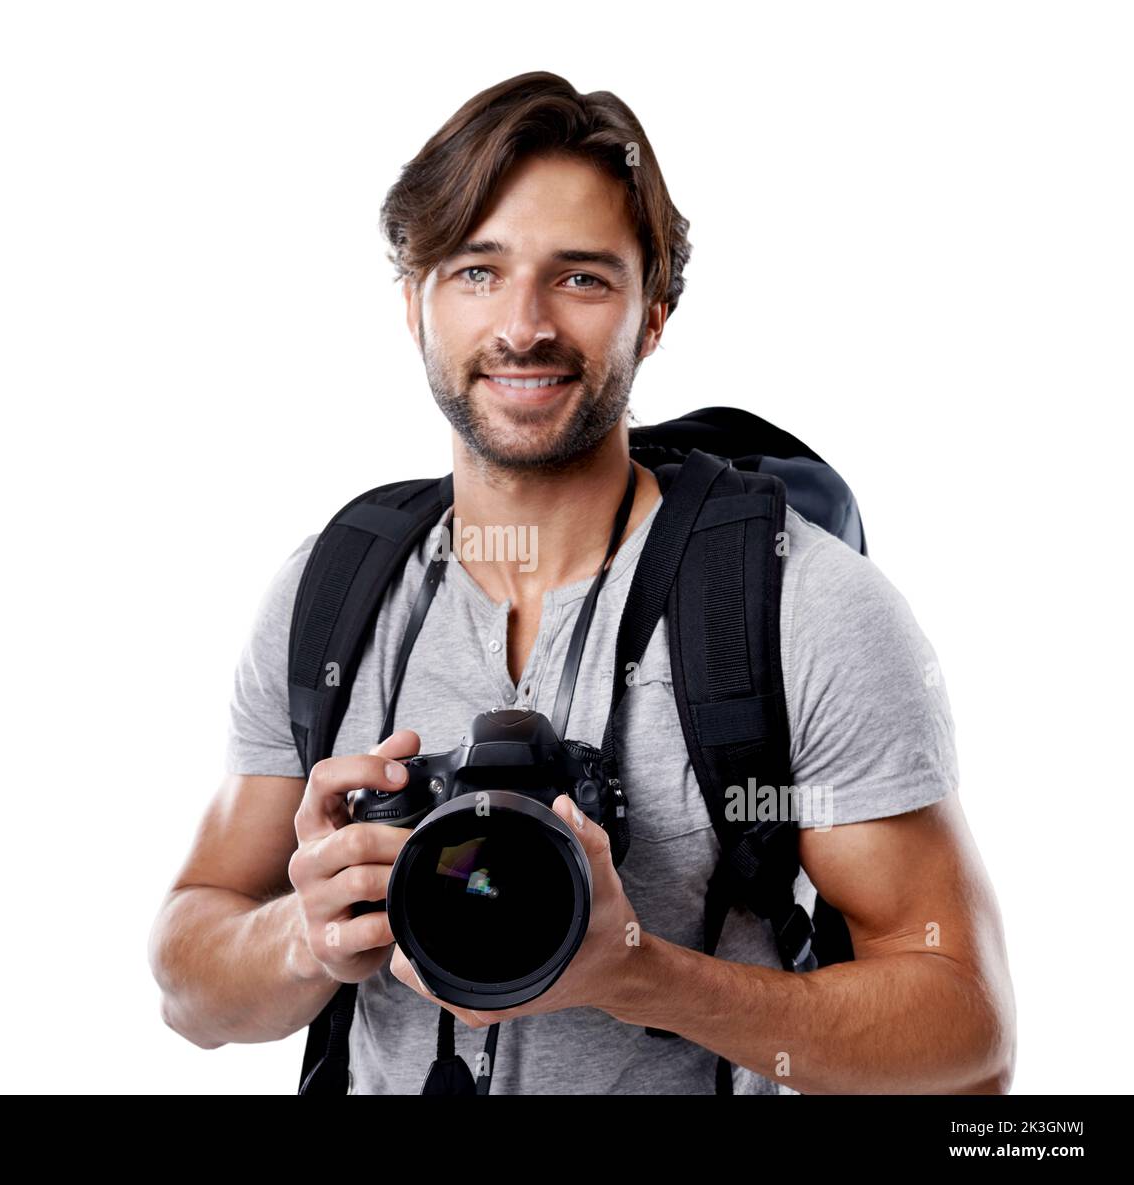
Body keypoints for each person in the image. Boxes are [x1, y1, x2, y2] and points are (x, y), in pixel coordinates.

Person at [147, 71, 1015, 1094]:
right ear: (413, 302)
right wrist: (303, 938)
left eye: (583, 278)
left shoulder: (795, 608)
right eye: (475, 271)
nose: (523, 325)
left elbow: (968, 1041)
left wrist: (635, 972)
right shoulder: (331, 595)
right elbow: (186, 982)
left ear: (652, 317)